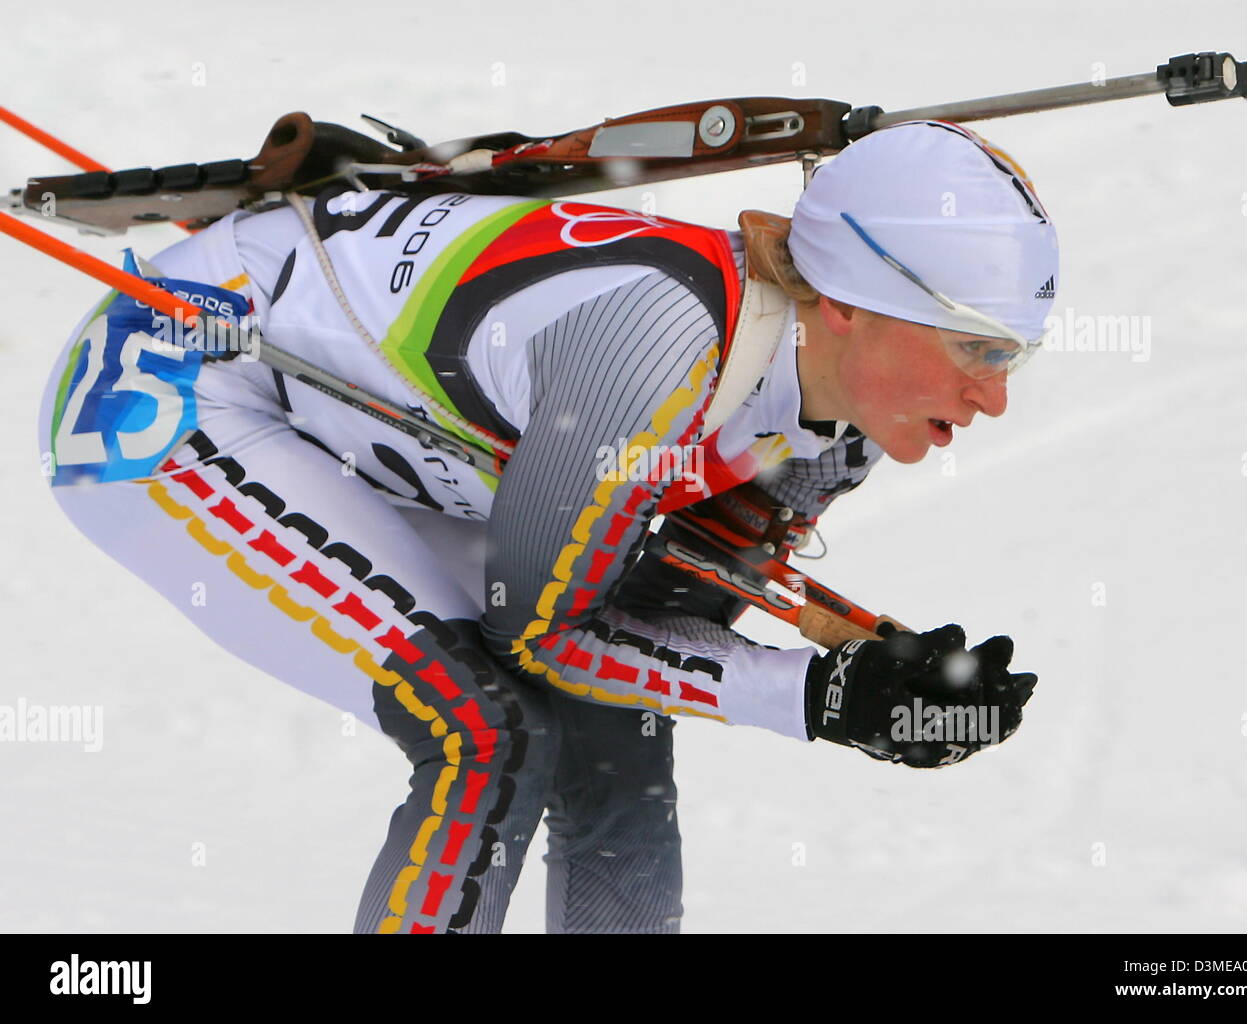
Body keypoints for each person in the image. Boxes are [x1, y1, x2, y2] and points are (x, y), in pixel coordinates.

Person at [37, 118, 1049, 933]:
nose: (992, 397)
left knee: (610, 732)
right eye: (976, 348)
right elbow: (546, 634)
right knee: (481, 726)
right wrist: (818, 695)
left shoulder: (840, 426)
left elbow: (644, 628)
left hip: (357, 428)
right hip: (173, 381)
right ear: (845, 305)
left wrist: (874, 688)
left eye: (1013, 355)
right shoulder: (655, 346)